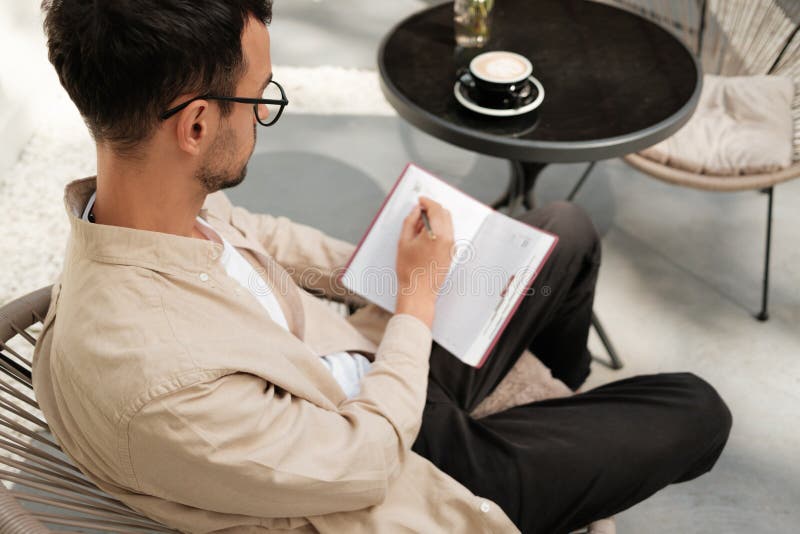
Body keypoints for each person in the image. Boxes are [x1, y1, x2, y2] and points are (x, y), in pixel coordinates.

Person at [31, 1, 732, 533]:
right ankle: (536, 475)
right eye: (262, 98)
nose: (262, 118)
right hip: (398, 466)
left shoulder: (141, 210)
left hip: (364, 369)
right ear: (195, 126)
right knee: (698, 410)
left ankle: (558, 415)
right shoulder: (158, 381)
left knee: (562, 233)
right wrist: (419, 298)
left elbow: (263, 236)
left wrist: (398, 266)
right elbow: (362, 462)